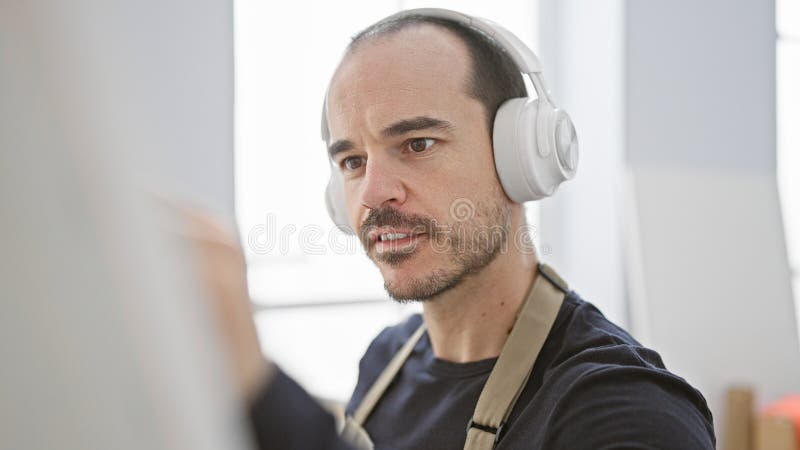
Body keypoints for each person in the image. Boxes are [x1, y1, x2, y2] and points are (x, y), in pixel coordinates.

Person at [204, 8, 716, 450]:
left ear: (519, 156)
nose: (373, 193)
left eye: (418, 144)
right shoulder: (386, 362)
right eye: (353, 161)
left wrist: (262, 388)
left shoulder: (624, 410)